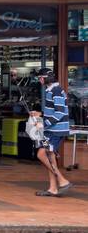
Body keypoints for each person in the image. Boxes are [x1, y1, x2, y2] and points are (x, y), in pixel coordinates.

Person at [35, 69, 72, 197]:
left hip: (56, 132)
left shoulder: (56, 91)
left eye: (41, 77)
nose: (39, 80)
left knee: (41, 154)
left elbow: (60, 113)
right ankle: (53, 188)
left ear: (47, 78)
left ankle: (63, 180)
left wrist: (43, 123)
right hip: (50, 131)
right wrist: (41, 114)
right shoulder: (51, 90)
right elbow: (54, 111)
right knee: (50, 157)